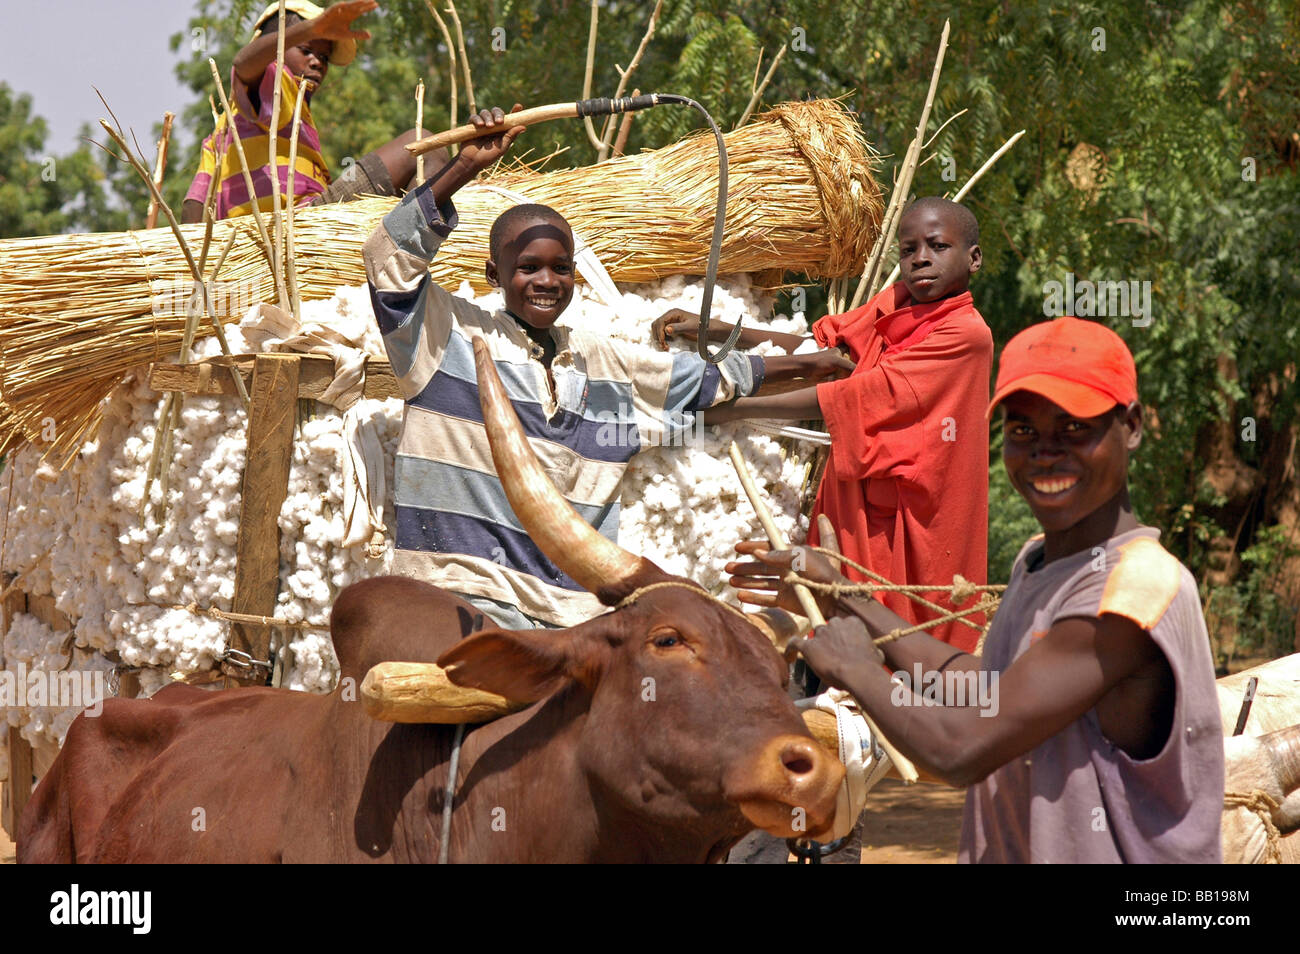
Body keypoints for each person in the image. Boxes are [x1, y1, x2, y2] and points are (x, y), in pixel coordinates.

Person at [728, 317, 1225, 863]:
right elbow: (984, 688)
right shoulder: (1040, 560)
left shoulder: (1131, 594)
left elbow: (963, 749)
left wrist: (855, 669)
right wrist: (843, 592)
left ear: (1130, 427)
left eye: (1074, 429)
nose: (1045, 452)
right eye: (1023, 431)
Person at [363, 106, 854, 629]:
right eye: (527, 267)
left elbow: (711, 379)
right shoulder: (447, 337)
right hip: (455, 598)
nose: (546, 281)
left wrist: (812, 362)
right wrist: (465, 167)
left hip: (569, 620)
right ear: (494, 274)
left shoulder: (604, 365)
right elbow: (386, 255)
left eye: (561, 268)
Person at [676, 197, 992, 650]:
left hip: (910, 519)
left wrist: (731, 407)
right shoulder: (895, 304)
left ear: (973, 257)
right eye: (909, 249)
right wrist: (713, 330)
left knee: (901, 638)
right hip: (855, 503)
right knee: (834, 624)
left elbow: (852, 396)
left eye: (938, 246)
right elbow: (821, 351)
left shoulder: (964, 334)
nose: (921, 257)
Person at [182, 0, 441, 224]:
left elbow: (195, 201)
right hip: (301, 221)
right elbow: (243, 65)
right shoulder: (275, 82)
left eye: (324, 58)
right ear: (274, 52)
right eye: (306, 50)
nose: (317, 62)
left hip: (310, 219)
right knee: (424, 147)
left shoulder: (226, 131)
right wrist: (309, 28)